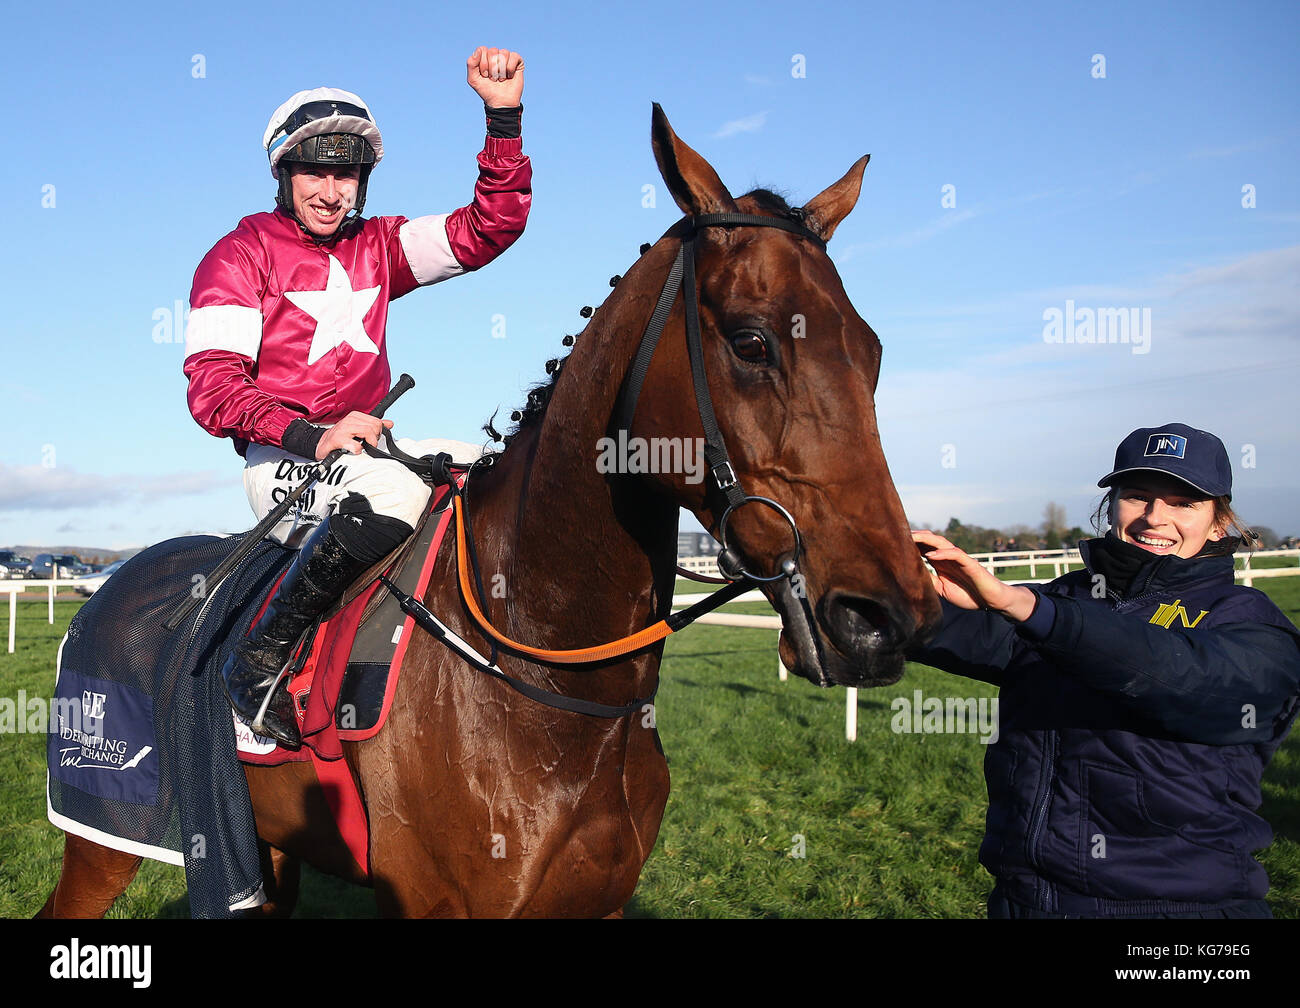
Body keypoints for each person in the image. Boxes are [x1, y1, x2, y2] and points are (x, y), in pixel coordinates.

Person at [183, 48, 531, 748]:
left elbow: (489, 227)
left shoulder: (381, 244)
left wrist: (503, 119)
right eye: (315, 170)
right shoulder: (237, 254)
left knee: (493, 466)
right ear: (284, 173)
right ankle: (257, 665)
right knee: (394, 499)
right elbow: (212, 387)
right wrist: (314, 436)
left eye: (347, 173)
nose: (331, 191)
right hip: (282, 458)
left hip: (368, 449)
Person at [908, 423, 1300, 917]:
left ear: (1219, 523)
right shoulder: (1064, 598)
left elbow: (1178, 675)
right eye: (1138, 496)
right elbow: (923, 628)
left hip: (1176, 911)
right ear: (1111, 505)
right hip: (1024, 901)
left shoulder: (1247, 620)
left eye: (1184, 503)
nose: (1156, 517)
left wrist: (1026, 608)